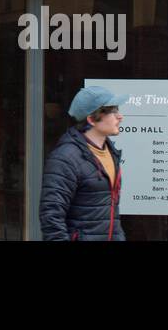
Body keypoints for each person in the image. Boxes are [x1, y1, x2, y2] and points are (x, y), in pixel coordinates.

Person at [39, 85, 127, 241]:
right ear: (92, 119)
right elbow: (51, 216)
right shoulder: (66, 158)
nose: (120, 117)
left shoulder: (110, 151)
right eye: (112, 111)